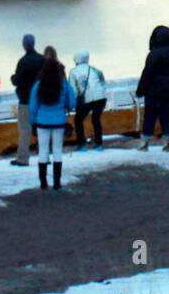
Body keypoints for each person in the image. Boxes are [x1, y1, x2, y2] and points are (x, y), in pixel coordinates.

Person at [31, 47, 75, 187]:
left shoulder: (38, 85)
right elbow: (72, 102)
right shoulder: (63, 84)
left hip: (42, 122)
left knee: (43, 150)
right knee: (57, 150)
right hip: (59, 121)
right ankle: (57, 182)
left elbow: (33, 107)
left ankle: (43, 182)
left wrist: (33, 122)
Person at [137, 25, 169, 152]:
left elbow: (147, 73)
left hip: (154, 91)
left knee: (150, 116)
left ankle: (145, 143)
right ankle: (168, 143)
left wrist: (140, 90)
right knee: (166, 115)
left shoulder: (154, 54)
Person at [10, 33, 43, 166]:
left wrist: (13, 78)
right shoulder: (43, 60)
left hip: (26, 101)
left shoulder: (23, 61)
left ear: (24, 45)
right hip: (41, 100)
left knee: (25, 130)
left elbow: (17, 81)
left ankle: (23, 158)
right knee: (42, 128)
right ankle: (45, 155)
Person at [70, 51, 107, 151]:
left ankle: (82, 145)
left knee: (78, 120)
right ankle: (99, 144)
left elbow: (73, 90)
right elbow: (102, 81)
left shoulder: (73, 71)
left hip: (87, 99)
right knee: (96, 119)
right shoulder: (94, 69)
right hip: (101, 97)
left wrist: (73, 103)